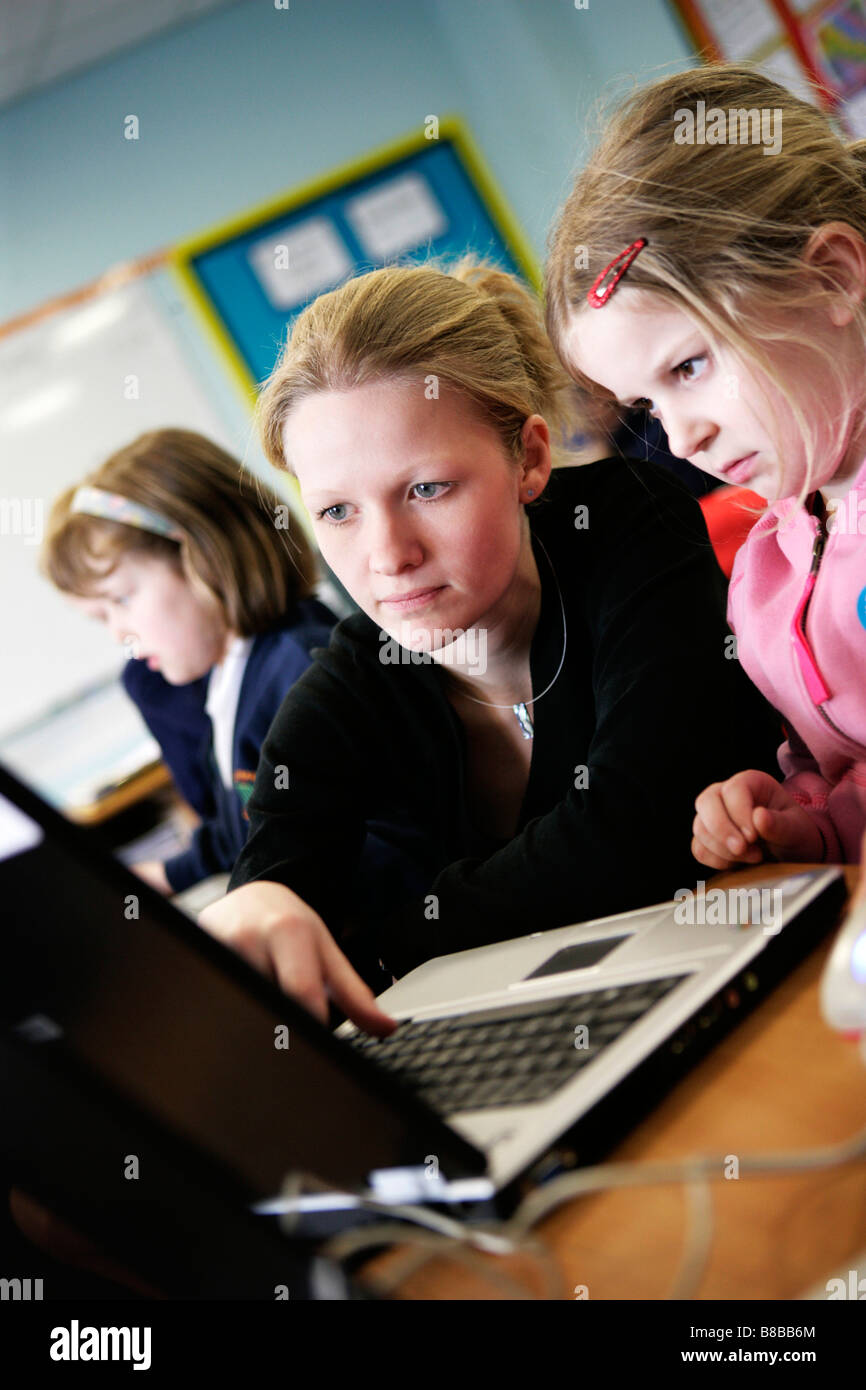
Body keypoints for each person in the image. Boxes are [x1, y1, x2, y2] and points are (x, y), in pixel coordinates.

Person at [197, 257, 781, 1032]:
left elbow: (637, 835)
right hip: (559, 1026)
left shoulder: (624, 521)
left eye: (426, 489)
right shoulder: (352, 678)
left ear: (530, 460)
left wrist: (383, 940)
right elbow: (272, 894)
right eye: (337, 512)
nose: (388, 555)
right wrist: (261, 905)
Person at [545, 61, 866, 874]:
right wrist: (801, 817)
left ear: (833, 276)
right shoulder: (767, 564)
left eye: (688, 367)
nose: (680, 439)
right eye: (645, 407)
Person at [41, 427, 336, 893]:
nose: (120, 635)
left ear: (202, 557)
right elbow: (248, 830)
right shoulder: (230, 679)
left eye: (121, 599)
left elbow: (365, 852)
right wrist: (167, 875)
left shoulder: (300, 671)